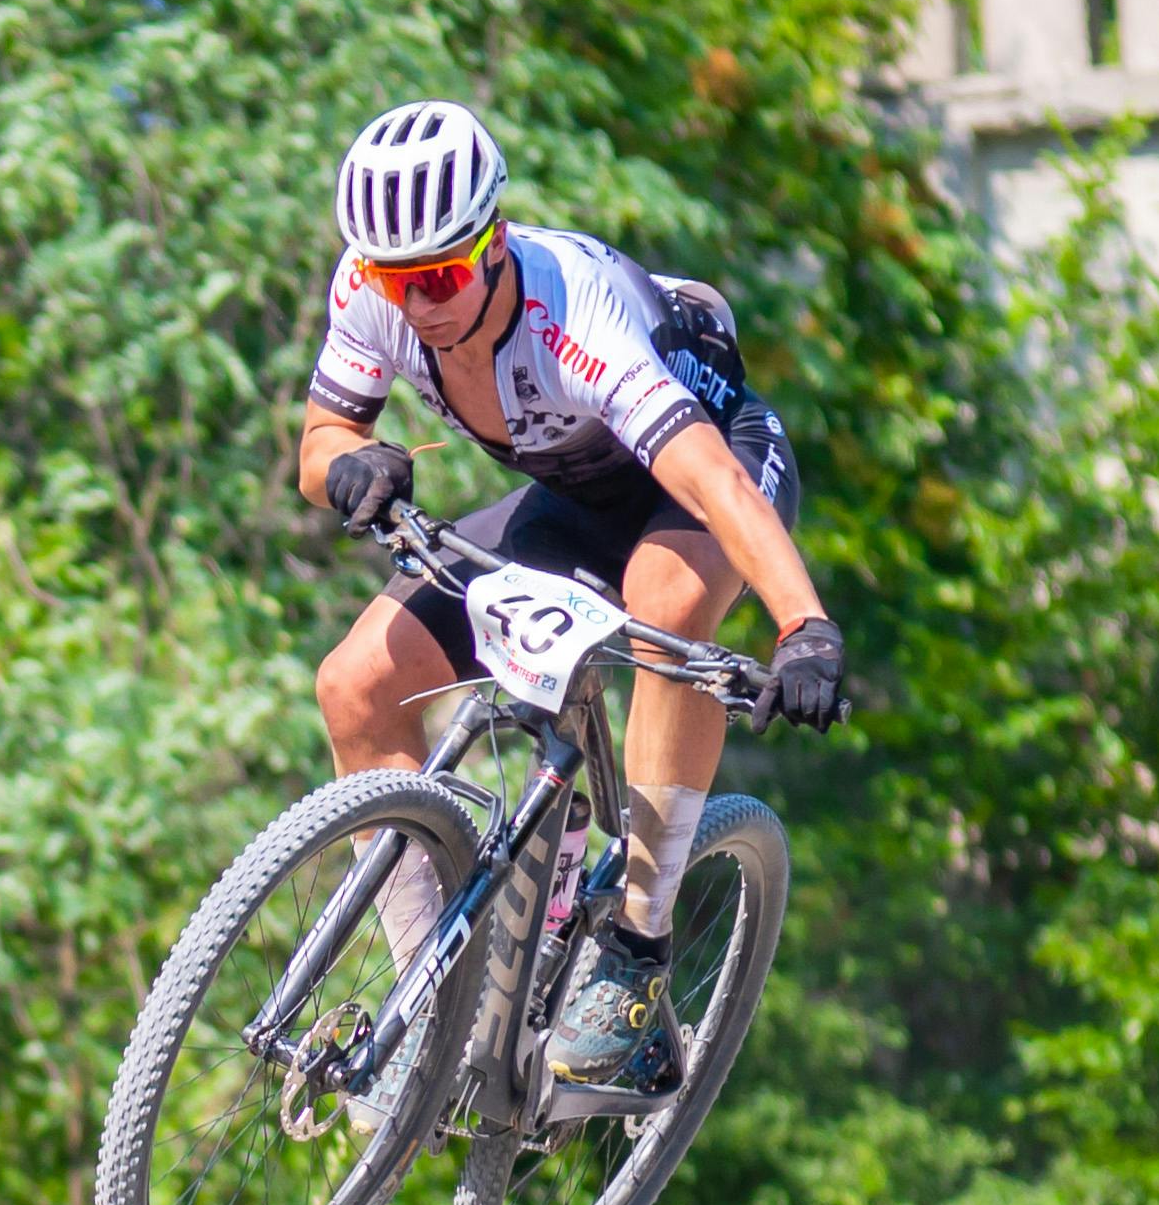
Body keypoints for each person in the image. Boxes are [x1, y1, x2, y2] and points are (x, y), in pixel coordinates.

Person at [296, 98, 848, 1087]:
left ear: (492, 242)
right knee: (352, 685)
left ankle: (635, 951)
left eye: (438, 276)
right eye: (393, 279)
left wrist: (801, 624)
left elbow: (711, 486)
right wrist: (350, 463)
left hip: (707, 472)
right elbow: (318, 440)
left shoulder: (573, 321)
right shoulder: (371, 285)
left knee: (662, 608)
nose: (415, 301)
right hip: (571, 493)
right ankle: (434, 998)